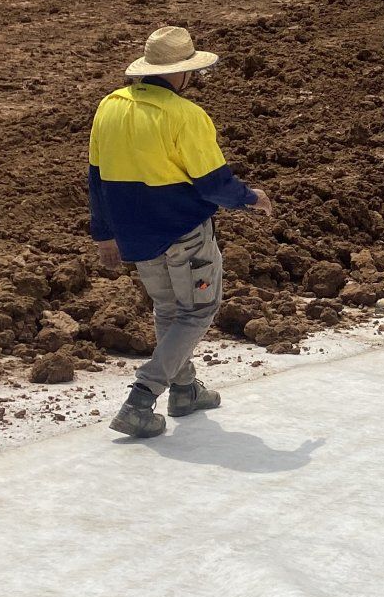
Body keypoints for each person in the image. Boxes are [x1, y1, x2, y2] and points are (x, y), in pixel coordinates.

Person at [88, 25, 274, 438]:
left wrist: (103, 234)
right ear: (183, 73)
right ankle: (141, 397)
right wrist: (250, 198)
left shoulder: (109, 106)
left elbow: (96, 178)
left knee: (169, 311)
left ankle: (185, 389)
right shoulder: (185, 116)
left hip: (135, 234)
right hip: (183, 233)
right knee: (198, 311)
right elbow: (213, 184)